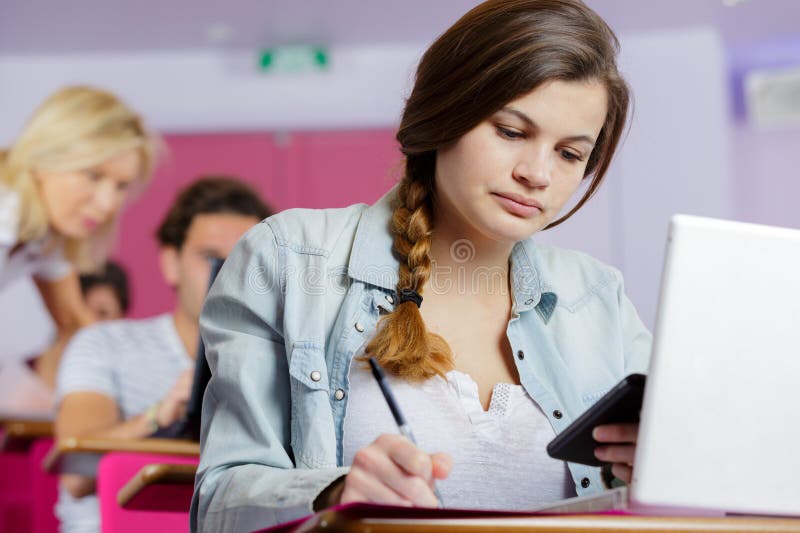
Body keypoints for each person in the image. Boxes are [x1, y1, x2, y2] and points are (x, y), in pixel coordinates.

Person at [191, 1, 651, 531]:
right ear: (444, 114)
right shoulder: (289, 258)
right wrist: (334, 495)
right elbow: (217, 505)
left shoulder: (596, 296)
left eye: (570, 154)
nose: (538, 174)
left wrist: (661, 478)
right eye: (511, 131)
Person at [53, 177, 272, 533]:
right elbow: (76, 475)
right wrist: (161, 416)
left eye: (245, 261)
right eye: (211, 258)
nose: (229, 275)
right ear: (171, 262)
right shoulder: (103, 344)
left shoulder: (274, 364)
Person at [0, 85, 158, 380]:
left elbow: (74, 323)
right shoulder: (5, 210)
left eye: (121, 186)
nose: (108, 203)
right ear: (44, 158)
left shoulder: (46, 233)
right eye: (93, 175)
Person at [0, 260, 131, 416]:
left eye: (103, 313)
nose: (89, 323)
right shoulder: (20, 376)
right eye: (83, 310)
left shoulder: (124, 386)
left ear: (121, 318)